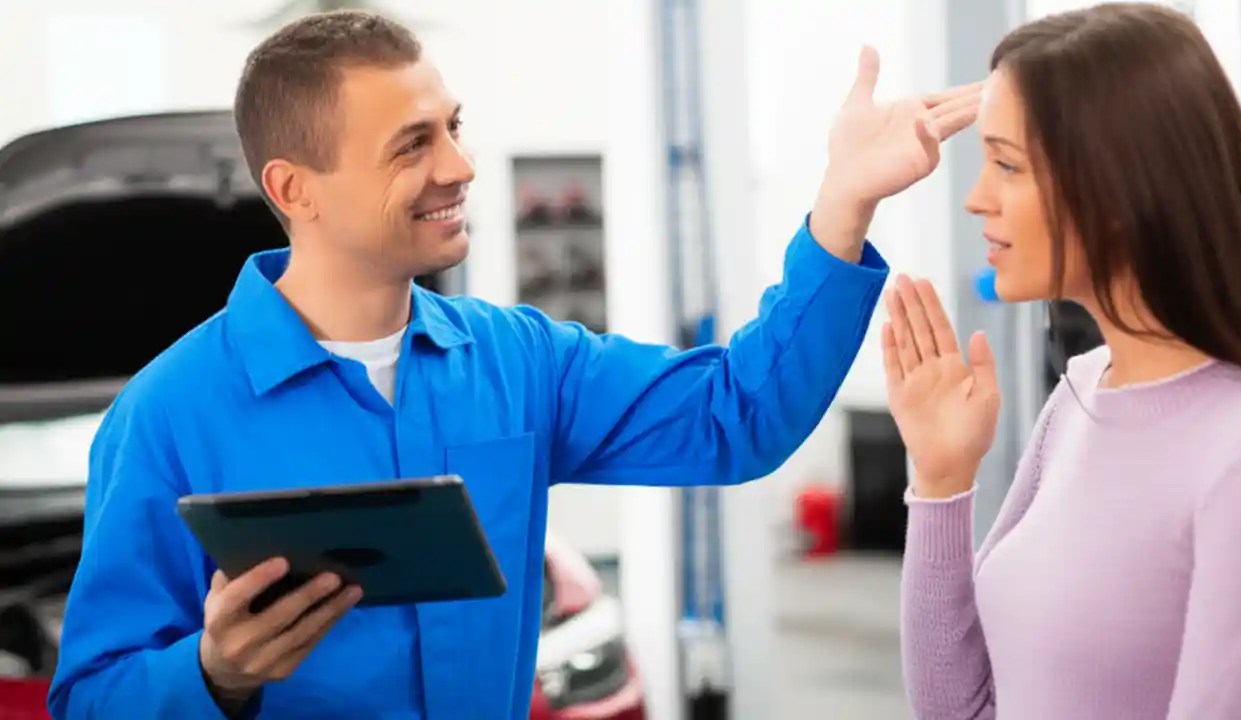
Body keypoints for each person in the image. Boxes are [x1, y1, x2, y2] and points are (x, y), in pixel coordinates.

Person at [46, 10, 981, 719]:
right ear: (296, 190)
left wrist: (843, 202)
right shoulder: (169, 416)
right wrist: (213, 675)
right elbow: (89, 695)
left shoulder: (517, 361)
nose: (460, 165)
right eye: (413, 144)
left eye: (453, 126)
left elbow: (737, 415)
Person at [882, 4, 1241, 720]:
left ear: (1121, 190)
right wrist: (942, 479)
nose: (976, 199)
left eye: (1007, 165)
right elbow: (962, 711)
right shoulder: (1083, 392)